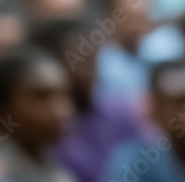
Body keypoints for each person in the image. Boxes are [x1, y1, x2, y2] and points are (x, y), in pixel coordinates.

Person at [31, 19, 149, 182]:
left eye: (92, 59)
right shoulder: (50, 126)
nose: (88, 71)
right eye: (77, 61)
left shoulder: (121, 110)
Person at [0, 47, 75, 182]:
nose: (61, 110)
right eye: (40, 97)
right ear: (2, 111)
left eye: (64, 95)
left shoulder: (57, 171)